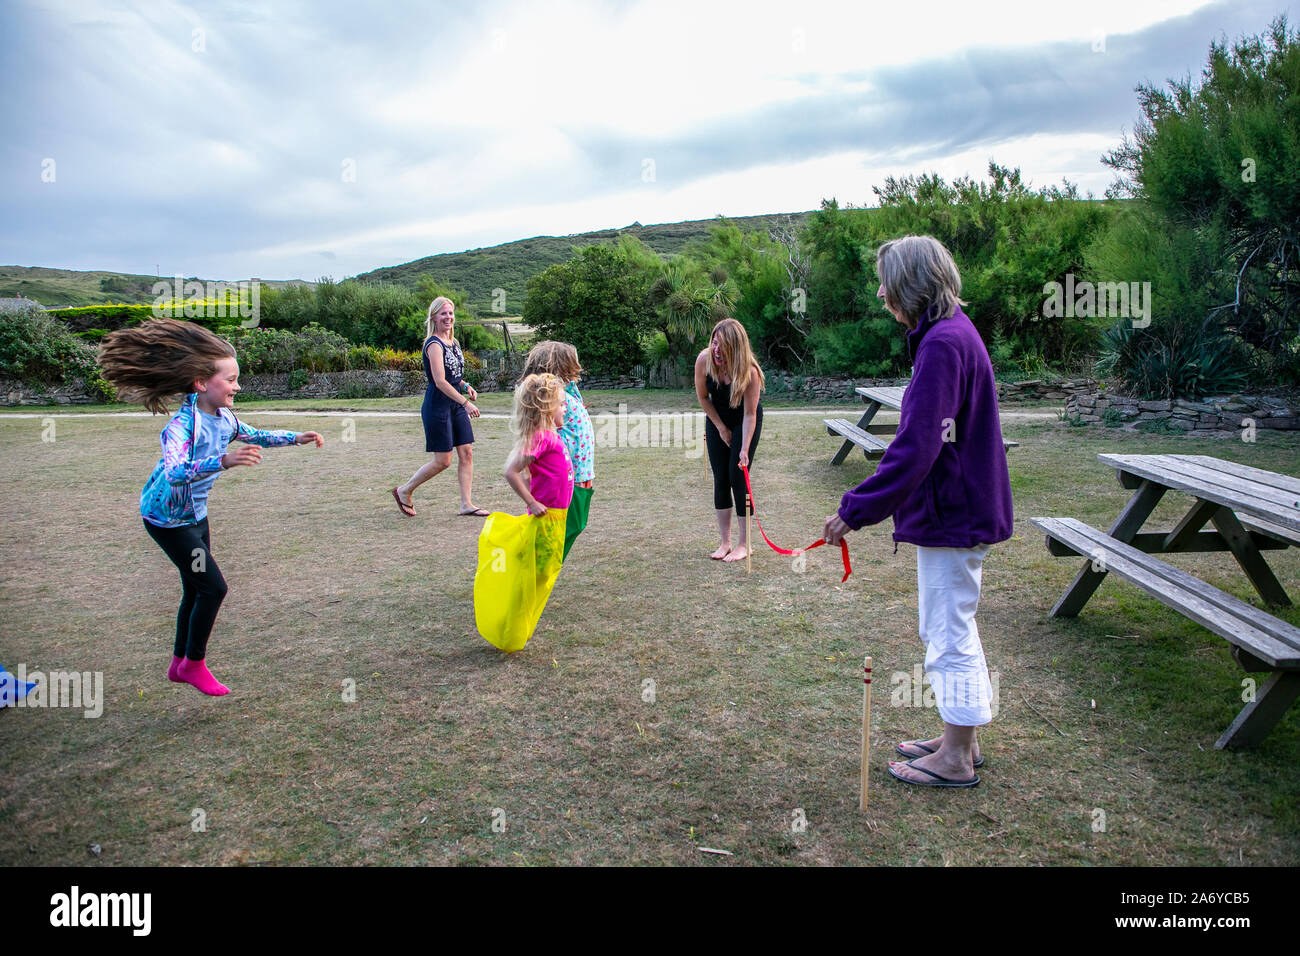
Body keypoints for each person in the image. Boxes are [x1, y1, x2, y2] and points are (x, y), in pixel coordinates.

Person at [822, 235, 1013, 788]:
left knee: (947, 628)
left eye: (887, 281)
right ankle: (962, 739)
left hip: (955, 512)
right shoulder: (948, 335)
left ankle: (955, 758)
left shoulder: (942, 344)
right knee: (952, 623)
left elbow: (916, 447)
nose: (881, 292)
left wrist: (855, 510)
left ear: (911, 285)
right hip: (957, 508)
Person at [97, 318, 323, 696]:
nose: (238, 386)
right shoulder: (182, 426)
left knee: (195, 588)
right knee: (213, 589)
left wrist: (296, 437)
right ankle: (193, 664)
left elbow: (258, 435)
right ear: (202, 383)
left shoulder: (224, 418)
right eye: (231, 380)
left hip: (195, 518)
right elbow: (174, 472)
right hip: (168, 521)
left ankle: (178, 663)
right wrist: (223, 461)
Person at [393, 296, 485, 517]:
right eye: (443, 313)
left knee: (467, 453)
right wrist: (465, 403)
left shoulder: (454, 343)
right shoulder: (433, 344)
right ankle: (404, 490)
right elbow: (440, 381)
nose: (448, 317)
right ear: (434, 317)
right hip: (438, 406)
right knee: (443, 461)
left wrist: (466, 386)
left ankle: (466, 504)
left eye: (451, 313)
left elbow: (454, 378)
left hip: (454, 403)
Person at [695, 318, 764, 562]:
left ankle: (745, 545)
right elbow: (703, 398)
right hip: (717, 420)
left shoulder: (750, 372)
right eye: (714, 343)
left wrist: (743, 448)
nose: (716, 350)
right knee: (721, 479)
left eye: (722, 346)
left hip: (744, 421)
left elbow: (750, 414)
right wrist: (721, 428)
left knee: (738, 478)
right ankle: (725, 543)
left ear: (735, 348)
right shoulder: (704, 360)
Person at [520, 341, 595, 558]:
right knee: (564, 527)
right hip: (566, 473)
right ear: (560, 365)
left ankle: (544, 562)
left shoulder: (567, 391)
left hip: (582, 470)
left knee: (576, 524)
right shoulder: (548, 397)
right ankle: (537, 565)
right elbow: (541, 428)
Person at [503, 372, 573, 517]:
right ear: (545, 407)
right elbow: (511, 471)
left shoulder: (550, 435)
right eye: (560, 404)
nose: (565, 408)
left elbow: (526, 473)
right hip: (547, 513)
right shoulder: (540, 437)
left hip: (557, 511)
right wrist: (532, 502)